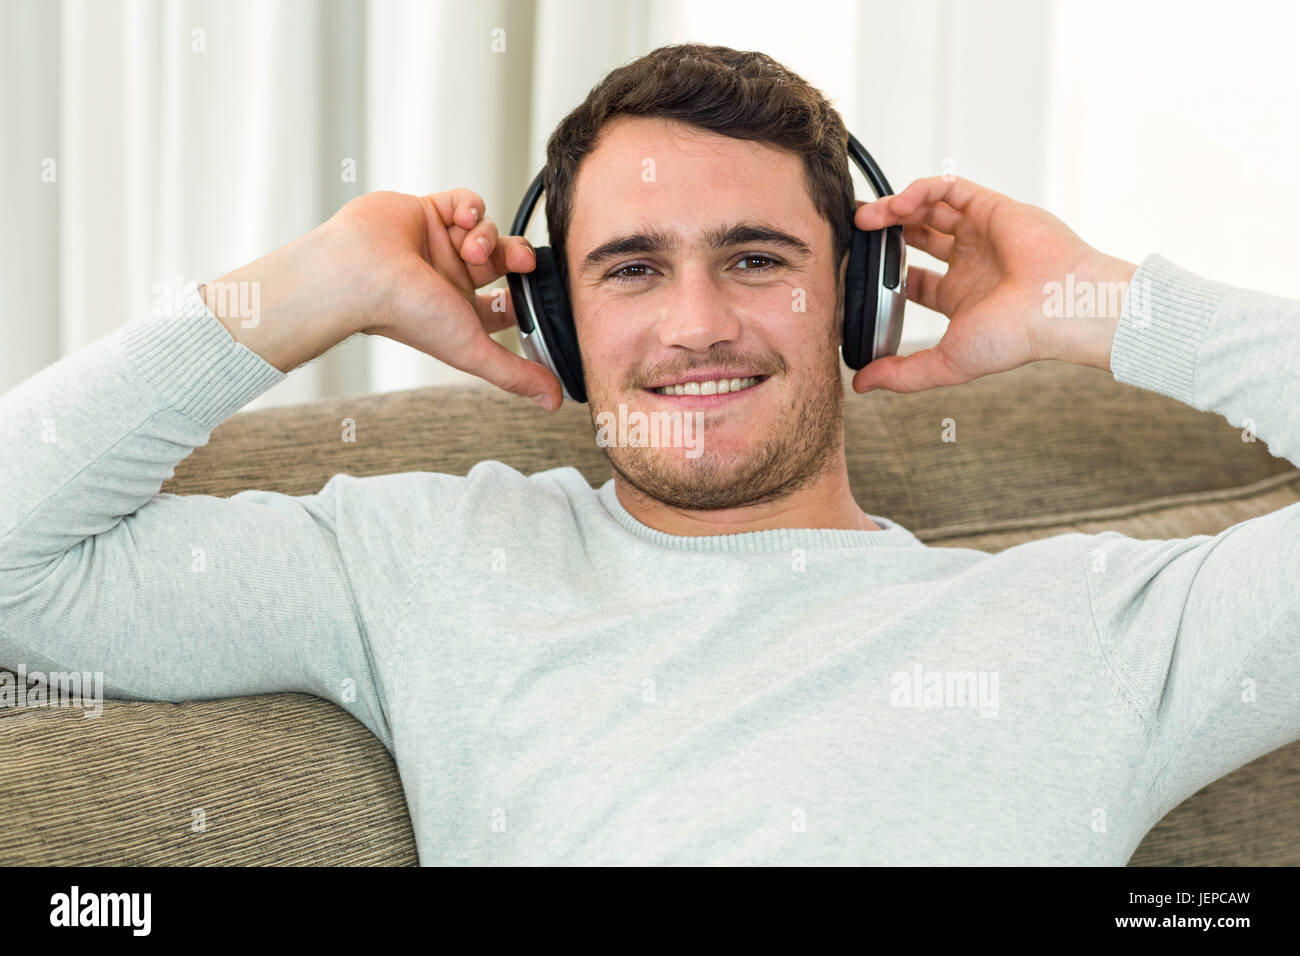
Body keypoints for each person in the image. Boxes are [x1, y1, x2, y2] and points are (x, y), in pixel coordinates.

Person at [1, 44, 1296, 865]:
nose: (696, 326)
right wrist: (315, 285)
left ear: (858, 297)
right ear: (557, 321)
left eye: (755, 258)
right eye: (630, 270)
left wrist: (1109, 305)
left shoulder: (1094, 630)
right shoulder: (429, 560)